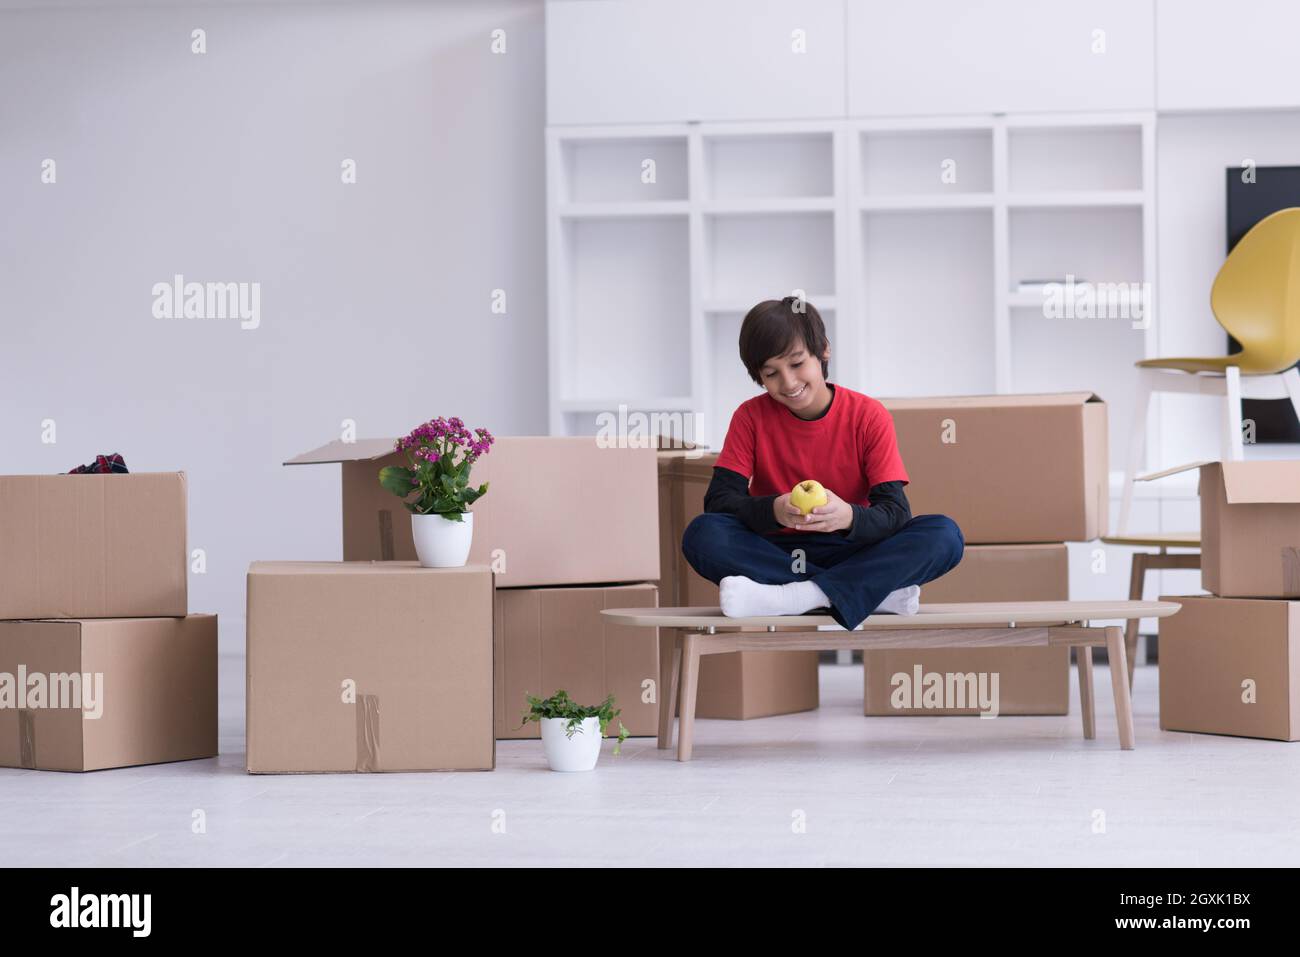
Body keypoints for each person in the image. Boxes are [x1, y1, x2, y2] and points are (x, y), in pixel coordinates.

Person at [680, 296, 964, 631]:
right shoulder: (749, 417)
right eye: (771, 373)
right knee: (702, 534)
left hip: (854, 549)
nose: (788, 383)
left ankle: (795, 596)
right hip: (780, 551)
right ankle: (865, 592)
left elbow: (895, 514)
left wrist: (848, 517)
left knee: (945, 535)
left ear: (823, 350)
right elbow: (719, 505)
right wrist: (774, 509)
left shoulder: (868, 416)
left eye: (797, 363)